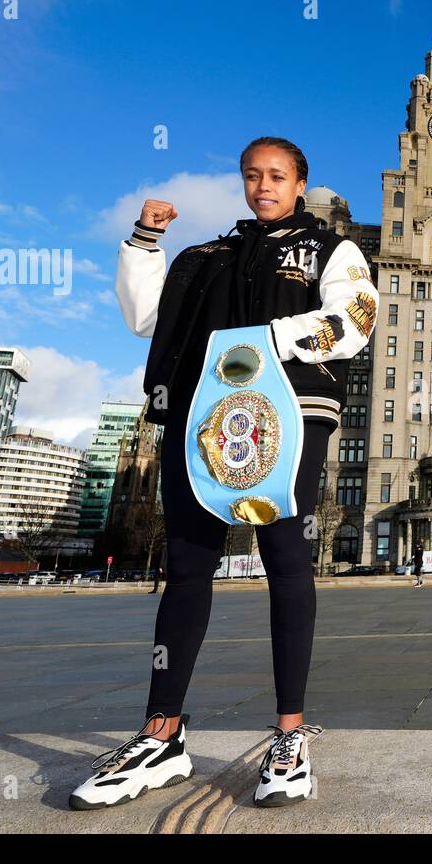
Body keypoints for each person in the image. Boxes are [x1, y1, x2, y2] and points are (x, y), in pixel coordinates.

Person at [70, 137, 378, 810]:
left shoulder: (328, 249)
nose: (262, 186)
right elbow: (145, 317)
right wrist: (144, 242)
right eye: (251, 175)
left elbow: (356, 319)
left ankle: (290, 736)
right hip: (202, 416)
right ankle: (162, 731)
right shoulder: (208, 256)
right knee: (187, 563)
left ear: (300, 184)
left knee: (285, 561)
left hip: (289, 413)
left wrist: (273, 339)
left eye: (276, 176)